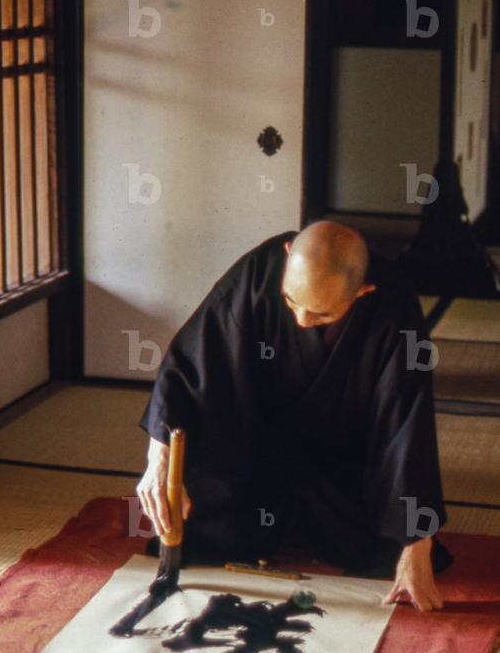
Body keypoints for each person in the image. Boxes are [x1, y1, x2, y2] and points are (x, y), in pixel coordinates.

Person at [136, 221, 451, 612]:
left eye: (321, 314)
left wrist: (416, 542)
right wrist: (159, 459)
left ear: (363, 292)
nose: (301, 320)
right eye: (290, 300)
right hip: (253, 452)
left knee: (380, 552)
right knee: (209, 535)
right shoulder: (258, 272)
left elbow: (405, 419)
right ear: (288, 256)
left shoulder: (394, 302)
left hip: (341, 463)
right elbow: (192, 365)